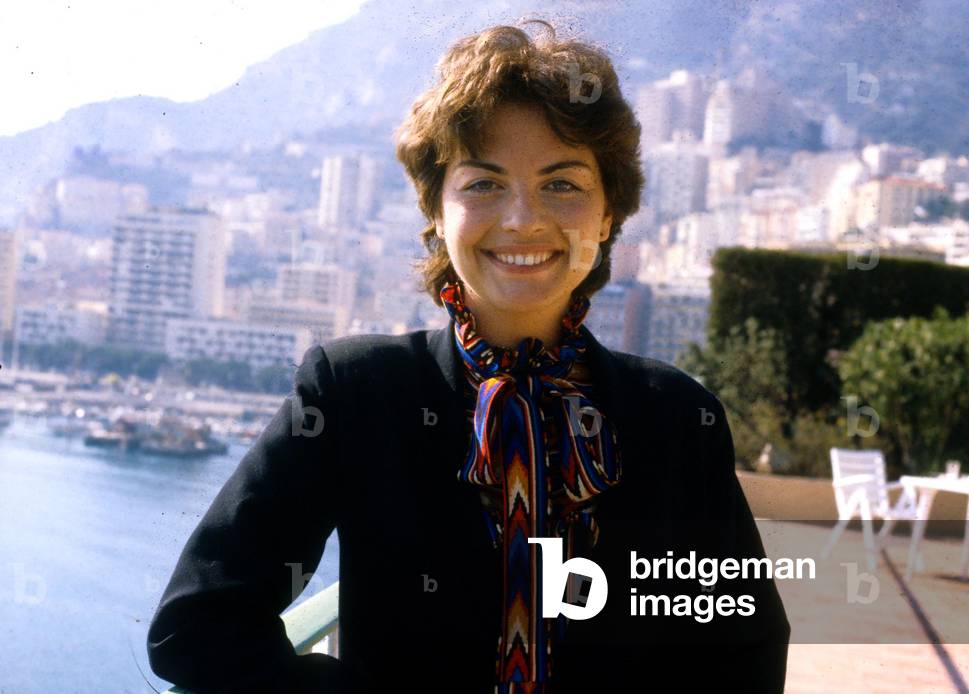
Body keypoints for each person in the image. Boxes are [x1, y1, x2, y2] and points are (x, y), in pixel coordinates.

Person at [147, 20, 790, 693]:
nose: (521, 218)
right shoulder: (356, 393)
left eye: (562, 184)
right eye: (484, 183)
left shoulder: (679, 419)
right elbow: (195, 625)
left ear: (607, 216)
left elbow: (744, 645)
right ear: (435, 207)